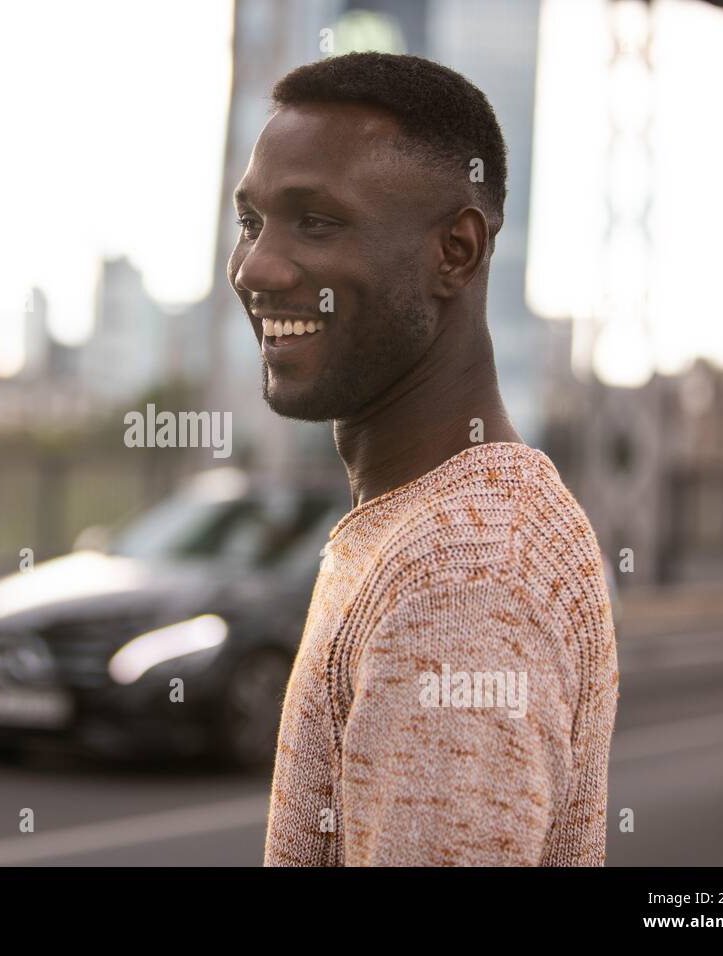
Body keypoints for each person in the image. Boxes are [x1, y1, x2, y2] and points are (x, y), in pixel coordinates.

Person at [227, 52, 619, 866]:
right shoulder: (425, 526)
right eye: (251, 221)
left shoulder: (466, 577)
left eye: (317, 222)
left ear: (456, 252)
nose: (255, 267)